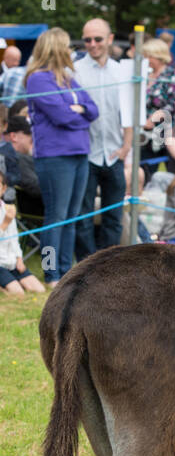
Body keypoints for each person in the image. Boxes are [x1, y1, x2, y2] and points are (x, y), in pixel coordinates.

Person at [25, 27, 99, 285]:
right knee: (55, 217)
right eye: (68, 46)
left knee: (72, 216)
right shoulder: (37, 79)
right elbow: (62, 116)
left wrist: (78, 111)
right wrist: (77, 112)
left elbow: (93, 109)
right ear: (56, 49)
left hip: (80, 152)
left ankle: (66, 271)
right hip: (55, 157)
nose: (72, 51)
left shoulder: (67, 79)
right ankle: (51, 273)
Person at [73, 18, 134, 256]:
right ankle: (87, 265)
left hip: (115, 153)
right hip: (85, 154)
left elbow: (128, 112)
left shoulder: (121, 71)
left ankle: (109, 265)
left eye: (98, 39)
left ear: (109, 39)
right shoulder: (75, 71)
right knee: (84, 216)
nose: (92, 44)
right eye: (87, 39)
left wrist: (127, 146)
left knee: (114, 216)